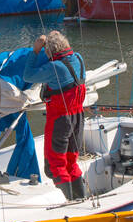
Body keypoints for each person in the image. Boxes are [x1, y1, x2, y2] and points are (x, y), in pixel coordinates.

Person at [24, 31, 88, 199]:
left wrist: (35, 51)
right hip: (78, 118)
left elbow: (28, 75)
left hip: (60, 120)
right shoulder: (79, 58)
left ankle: (69, 201)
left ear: (49, 52)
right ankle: (81, 199)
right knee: (71, 162)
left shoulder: (55, 67)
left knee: (55, 165)